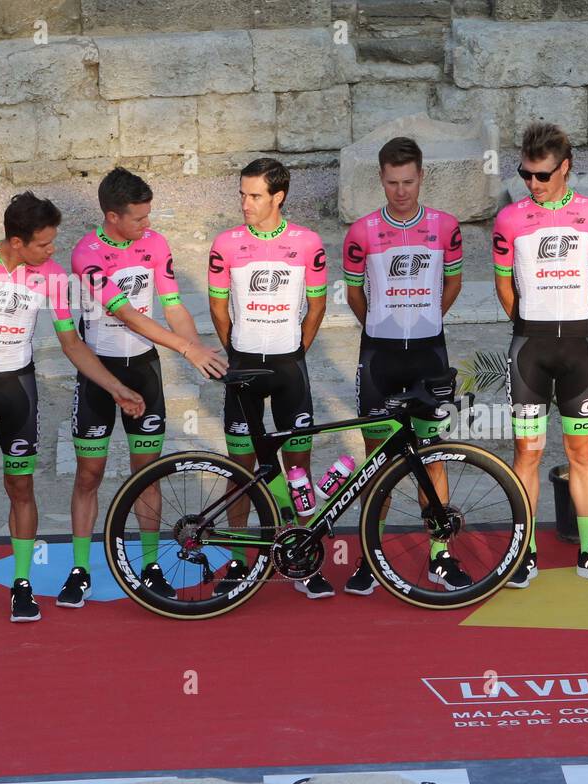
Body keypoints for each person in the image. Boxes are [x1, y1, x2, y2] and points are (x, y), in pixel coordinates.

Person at [0, 192, 145, 622]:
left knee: (19, 486)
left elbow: (71, 343)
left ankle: (21, 583)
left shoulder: (53, 277)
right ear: (17, 242)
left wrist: (115, 386)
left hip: (17, 391)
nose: (52, 250)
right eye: (44, 244)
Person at [59, 168, 227, 608]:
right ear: (112, 216)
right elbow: (130, 316)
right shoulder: (86, 254)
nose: (147, 225)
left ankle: (150, 564)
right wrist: (186, 351)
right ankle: (80, 569)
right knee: (89, 475)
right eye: (138, 218)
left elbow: (171, 306)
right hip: (99, 373)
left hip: (144, 370)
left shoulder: (154, 244)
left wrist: (196, 347)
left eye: (149, 215)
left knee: (146, 472)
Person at [492, 122, 588, 588]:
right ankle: (523, 552)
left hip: (578, 347)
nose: (532, 184)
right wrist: (531, 325)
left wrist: (570, 319)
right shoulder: (509, 219)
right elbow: (505, 286)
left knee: (581, 454)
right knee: (527, 452)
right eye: (526, 174)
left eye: (542, 175)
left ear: (565, 167)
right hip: (530, 347)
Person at [340, 137, 471, 595]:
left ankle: (440, 557)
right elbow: (356, 295)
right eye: (392, 182)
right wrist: (381, 327)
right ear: (380, 178)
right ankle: (369, 558)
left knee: (433, 457)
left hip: (429, 355)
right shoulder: (360, 232)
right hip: (379, 356)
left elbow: (451, 283)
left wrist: (427, 320)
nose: (401, 191)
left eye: (408, 182)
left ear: (421, 177)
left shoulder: (446, 226)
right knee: (377, 466)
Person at [207, 158, 334, 599]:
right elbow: (219, 308)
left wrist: (297, 352)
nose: (245, 203)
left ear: (278, 197)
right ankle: (240, 561)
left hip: (289, 367)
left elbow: (316, 307)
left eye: (255, 195)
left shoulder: (307, 243)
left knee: (298, 466)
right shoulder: (225, 243)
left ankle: (300, 554)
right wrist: (236, 353)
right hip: (243, 366)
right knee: (241, 469)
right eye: (242, 194)